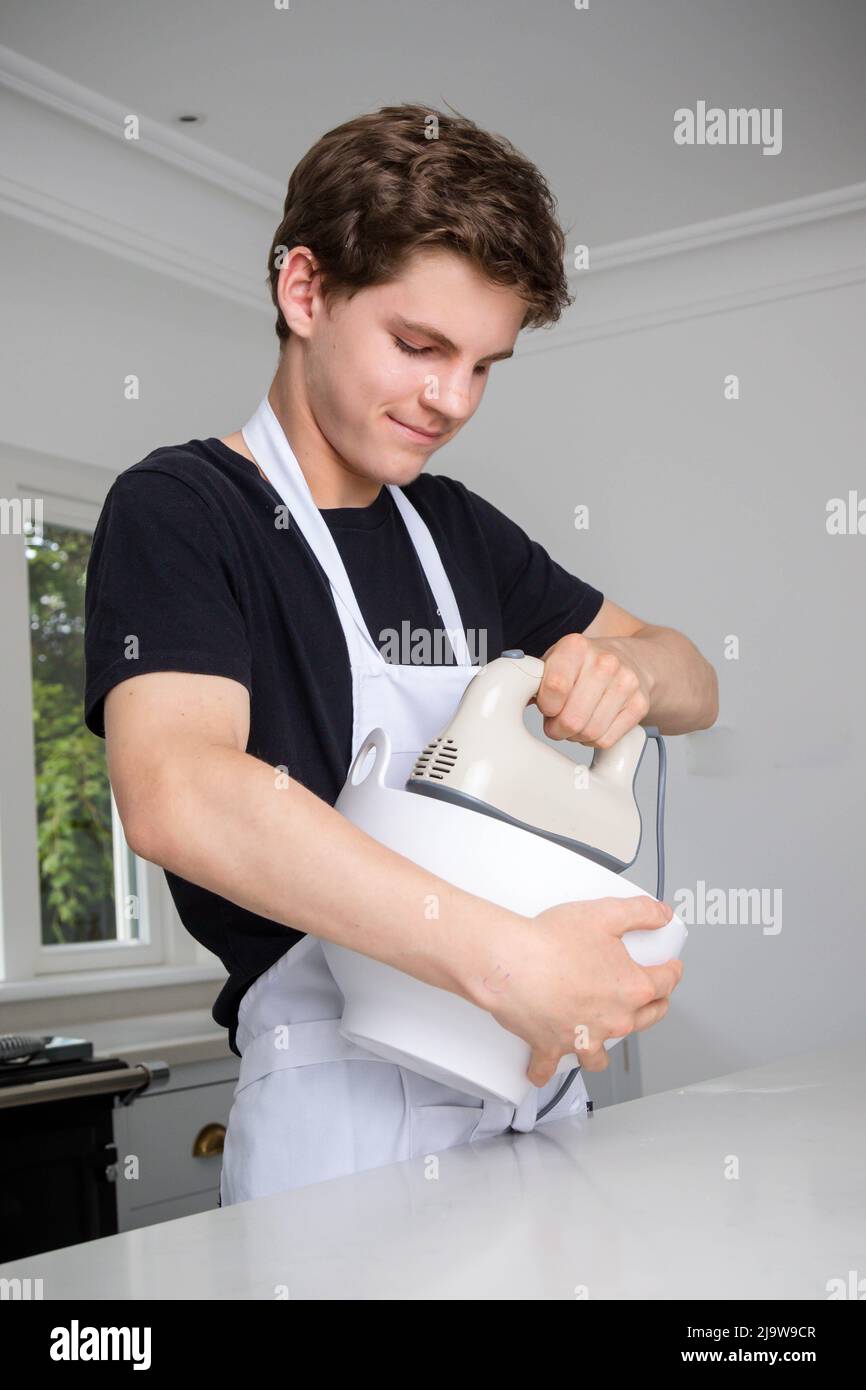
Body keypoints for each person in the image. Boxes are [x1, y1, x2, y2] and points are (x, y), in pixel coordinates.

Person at [84, 102, 717, 1206]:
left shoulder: (458, 531)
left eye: (483, 365)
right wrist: (509, 962)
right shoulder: (184, 510)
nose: (451, 401)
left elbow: (693, 680)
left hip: (530, 1089)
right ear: (303, 291)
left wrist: (631, 673)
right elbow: (179, 792)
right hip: (341, 1120)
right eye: (420, 348)